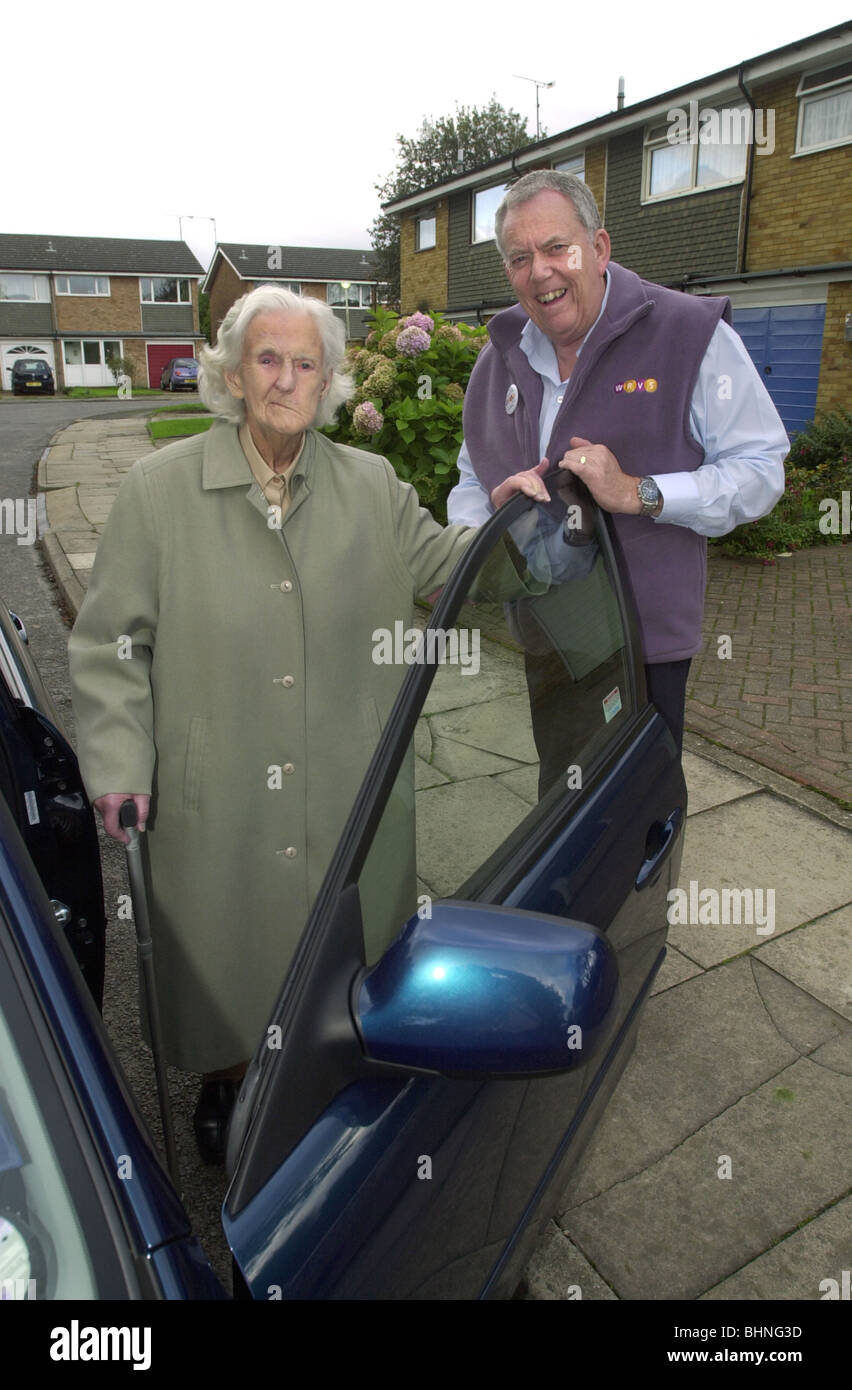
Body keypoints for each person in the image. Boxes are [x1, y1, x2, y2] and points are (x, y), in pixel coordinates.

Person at [68, 285, 542, 1163]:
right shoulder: (156, 490)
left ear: (327, 382)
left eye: (306, 362)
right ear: (235, 375)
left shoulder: (372, 485)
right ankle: (229, 1078)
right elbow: (108, 647)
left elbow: (450, 571)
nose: (287, 379)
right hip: (220, 779)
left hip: (349, 774)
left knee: (342, 951)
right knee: (226, 944)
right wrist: (121, 766)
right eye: (267, 359)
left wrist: (522, 523)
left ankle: (329, 1076)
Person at [448, 169, 789, 753]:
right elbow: (470, 481)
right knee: (560, 807)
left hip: (641, 650)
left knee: (635, 818)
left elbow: (760, 468)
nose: (540, 272)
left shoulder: (687, 331)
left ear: (599, 248)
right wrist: (485, 533)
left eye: (558, 248)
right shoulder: (496, 361)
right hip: (544, 641)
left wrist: (639, 491)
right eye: (519, 258)